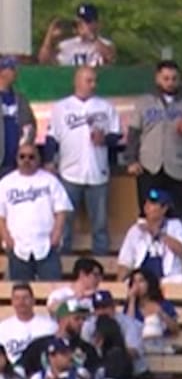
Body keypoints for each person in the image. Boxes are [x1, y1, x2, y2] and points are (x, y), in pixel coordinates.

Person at [46, 67, 119, 257]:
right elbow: (52, 137)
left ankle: (101, 259)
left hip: (98, 172)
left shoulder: (106, 107)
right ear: (77, 81)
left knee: (100, 222)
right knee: (65, 220)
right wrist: (49, 161)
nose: (93, 85)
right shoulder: (61, 107)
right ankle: (63, 258)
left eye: (95, 81)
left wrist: (104, 139)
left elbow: (116, 136)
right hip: (69, 171)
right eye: (88, 80)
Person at [124, 62, 182, 218]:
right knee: (148, 212)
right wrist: (131, 160)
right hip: (149, 166)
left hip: (177, 167)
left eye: (174, 78)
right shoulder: (144, 102)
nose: (170, 82)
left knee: (175, 213)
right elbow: (134, 133)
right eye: (166, 78)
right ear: (157, 78)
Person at [0, 142, 71, 281]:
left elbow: (61, 210)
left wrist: (56, 235)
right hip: (18, 247)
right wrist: (6, 238)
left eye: (31, 157)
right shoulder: (5, 183)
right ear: (16, 159)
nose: (26, 160)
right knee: (20, 288)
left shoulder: (50, 181)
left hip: (46, 246)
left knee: (52, 288)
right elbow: (1, 215)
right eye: (22, 156)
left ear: (38, 159)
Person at [114, 189, 182, 285]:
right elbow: (125, 261)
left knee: (180, 281)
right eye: (147, 203)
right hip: (142, 279)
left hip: (169, 278)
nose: (147, 207)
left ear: (164, 208)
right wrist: (118, 287)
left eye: (153, 204)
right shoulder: (135, 230)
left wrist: (158, 233)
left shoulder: (175, 225)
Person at [38, 7, 115, 67]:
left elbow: (110, 57)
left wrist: (91, 37)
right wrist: (49, 37)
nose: (82, 26)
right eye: (79, 23)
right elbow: (43, 60)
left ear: (96, 24)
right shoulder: (66, 45)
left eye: (87, 22)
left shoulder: (105, 44)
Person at [0, 56, 37, 176]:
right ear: (2, 72)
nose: (16, 72)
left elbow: (30, 126)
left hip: (16, 164)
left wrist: (26, 141)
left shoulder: (20, 99)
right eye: (12, 69)